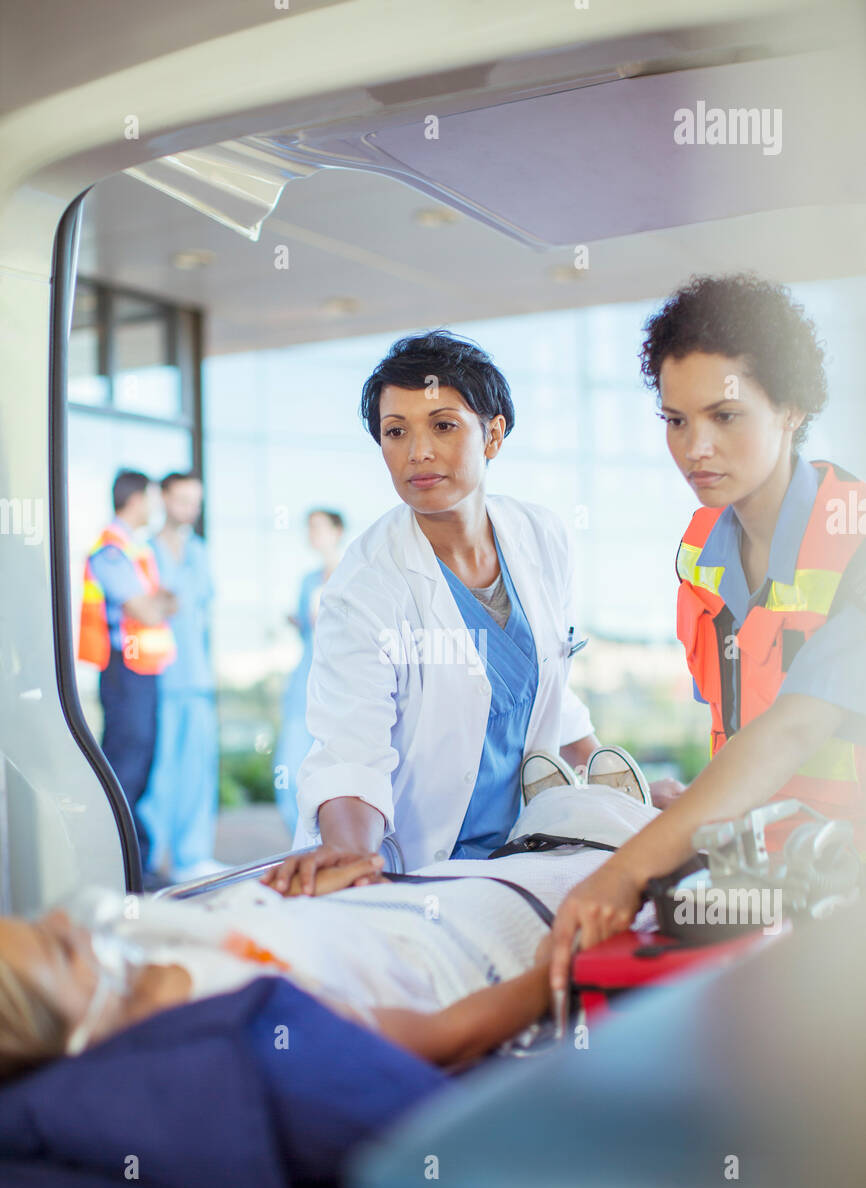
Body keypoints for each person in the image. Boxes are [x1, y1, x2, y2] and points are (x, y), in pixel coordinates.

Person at [548, 273, 866, 997]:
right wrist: (699, 802)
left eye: (725, 416)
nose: (696, 447)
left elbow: (787, 733)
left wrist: (626, 871)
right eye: (676, 420)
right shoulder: (700, 556)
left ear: (791, 409)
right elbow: (741, 734)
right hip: (762, 875)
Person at [278, 330, 680, 886]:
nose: (417, 451)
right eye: (396, 432)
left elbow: (547, 692)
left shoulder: (542, 537)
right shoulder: (366, 586)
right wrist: (351, 855)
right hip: (417, 862)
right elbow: (351, 750)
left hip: (524, 851)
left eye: (443, 425)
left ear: (492, 435)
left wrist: (623, 798)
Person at [0, 773, 659, 1078]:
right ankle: (612, 806)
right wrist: (565, 962)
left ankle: (586, 805)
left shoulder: (136, 950)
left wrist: (295, 890)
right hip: (459, 946)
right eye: (61, 949)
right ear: (76, 1043)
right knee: (615, 858)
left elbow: (241, 932)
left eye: (45, 923)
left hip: (380, 905)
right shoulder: (233, 1035)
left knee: (541, 840)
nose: (72, 923)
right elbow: (447, 1036)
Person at [78, 470, 178, 880]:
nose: (156, 507)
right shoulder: (112, 551)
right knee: (125, 766)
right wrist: (157, 603)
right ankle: (121, 866)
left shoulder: (133, 549)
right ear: (135, 500)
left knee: (142, 762)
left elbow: (166, 600)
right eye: (153, 498)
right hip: (124, 673)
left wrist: (158, 602)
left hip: (143, 671)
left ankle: (136, 862)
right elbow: (151, 608)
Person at [137, 472, 223, 883]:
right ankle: (151, 860)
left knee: (196, 768)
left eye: (196, 501)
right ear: (164, 499)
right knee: (159, 771)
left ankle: (192, 858)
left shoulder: (200, 551)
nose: (190, 509)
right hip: (159, 677)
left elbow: (201, 610)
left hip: (197, 679)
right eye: (183, 499)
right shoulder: (144, 550)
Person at [273, 509, 345, 836]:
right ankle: (301, 835)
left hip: (342, 683)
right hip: (306, 679)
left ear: (337, 531)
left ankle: (333, 837)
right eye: (309, 527)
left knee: (339, 762)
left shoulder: (355, 574)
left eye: (319, 527)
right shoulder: (307, 581)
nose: (312, 534)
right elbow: (308, 628)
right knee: (291, 760)